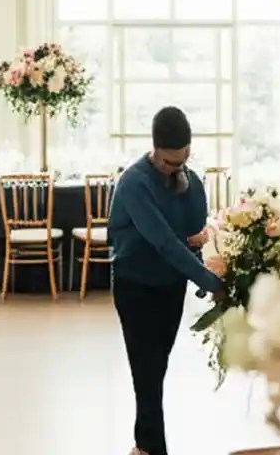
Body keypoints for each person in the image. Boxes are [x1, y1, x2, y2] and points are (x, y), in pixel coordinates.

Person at [108, 106, 224, 455]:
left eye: (184, 161)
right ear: (155, 150)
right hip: (135, 285)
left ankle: (142, 446)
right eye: (170, 163)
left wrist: (203, 274)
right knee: (146, 370)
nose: (178, 169)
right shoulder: (134, 183)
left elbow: (192, 235)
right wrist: (210, 280)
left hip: (170, 286)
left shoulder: (193, 182)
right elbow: (164, 241)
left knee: (155, 369)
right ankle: (152, 448)